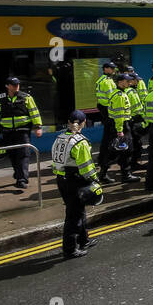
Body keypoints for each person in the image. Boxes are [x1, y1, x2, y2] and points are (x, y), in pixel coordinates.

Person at [50, 109, 103, 259]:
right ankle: (70, 249)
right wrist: (95, 179)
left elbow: (55, 161)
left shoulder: (59, 138)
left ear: (68, 122)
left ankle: (83, 240)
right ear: (83, 123)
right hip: (75, 181)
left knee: (79, 211)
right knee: (74, 216)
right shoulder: (81, 142)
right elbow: (86, 166)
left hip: (62, 180)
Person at [0, 77, 43, 190]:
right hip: (7, 132)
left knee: (23, 154)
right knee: (12, 155)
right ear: (7, 86)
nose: (16, 86)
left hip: (23, 131)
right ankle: (18, 173)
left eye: (17, 84)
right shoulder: (0, 99)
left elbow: (34, 112)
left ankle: (22, 179)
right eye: (13, 85)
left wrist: (38, 127)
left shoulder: (26, 98)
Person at [98, 73, 137, 184]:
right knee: (121, 150)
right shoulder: (120, 96)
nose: (129, 82)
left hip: (118, 125)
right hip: (121, 126)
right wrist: (120, 130)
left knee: (121, 151)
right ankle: (118, 174)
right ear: (120, 82)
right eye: (127, 80)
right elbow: (119, 115)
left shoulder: (118, 93)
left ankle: (123, 174)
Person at [94, 60, 118, 127]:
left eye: (114, 68)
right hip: (107, 107)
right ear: (105, 69)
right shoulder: (105, 80)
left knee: (109, 127)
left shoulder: (108, 79)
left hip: (106, 106)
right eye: (112, 68)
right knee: (110, 127)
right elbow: (111, 95)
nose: (114, 70)